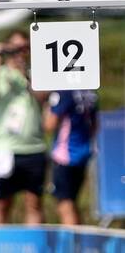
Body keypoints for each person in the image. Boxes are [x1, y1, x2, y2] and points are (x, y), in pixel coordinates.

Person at [0, 29, 48, 224]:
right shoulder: (0, 73)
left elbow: (43, 97)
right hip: (5, 149)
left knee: (34, 203)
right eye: (15, 48)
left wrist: (25, 73)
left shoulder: (35, 74)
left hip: (34, 148)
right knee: (2, 202)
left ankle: (33, 242)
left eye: (24, 48)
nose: (20, 52)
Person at [44, 88, 99, 226]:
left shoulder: (64, 93)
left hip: (65, 156)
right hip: (83, 153)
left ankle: (72, 239)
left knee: (65, 205)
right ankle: (78, 237)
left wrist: (47, 105)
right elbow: (95, 126)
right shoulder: (90, 92)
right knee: (72, 202)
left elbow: (49, 125)